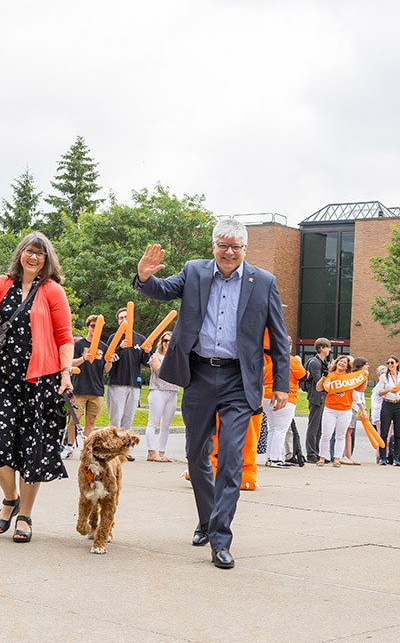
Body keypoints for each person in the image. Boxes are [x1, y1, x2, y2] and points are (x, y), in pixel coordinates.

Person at [134, 218, 290, 570]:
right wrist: (144, 276)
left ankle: (220, 537)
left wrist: (281, 383)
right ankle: (207, 519)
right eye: (223, 245)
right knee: (195, 455)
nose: (229, 251)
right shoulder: (195, 272)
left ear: (245, 249)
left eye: (236, 246)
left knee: (231, 458)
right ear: (213, 246)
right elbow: (160, 290)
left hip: (239, 379)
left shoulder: (263, 282)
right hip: (200, 374)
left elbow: (279, 338)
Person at [0, 232, 74, 544]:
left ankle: (25, 514)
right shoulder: (1, 283)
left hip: (41, 379)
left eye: (40, 253)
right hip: (1, 378)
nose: (34, 257)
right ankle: (11, 499)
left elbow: (64, 336)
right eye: (29, 251)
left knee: (33, 450)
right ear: (20, 254)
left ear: (47, 259)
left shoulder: (52, 290)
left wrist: (66, 374)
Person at [65, 315, 112, 458]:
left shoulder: (104, 347)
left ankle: (86, 449)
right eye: (92, 326)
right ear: (87, 327)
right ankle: (69, 446)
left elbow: (106, 369)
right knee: (74, 420)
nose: (94, 329)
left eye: (97, 326)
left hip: (96, 389)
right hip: (79, 387)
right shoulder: (79, 345)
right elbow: (70, 363)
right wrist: (84, 358)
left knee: (91, 421)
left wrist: (110, 361)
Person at [264, 336, 308, 467]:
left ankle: (270, 458)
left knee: (272, 429)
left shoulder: (269, 360)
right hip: (285, 396)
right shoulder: (291, 360)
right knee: (280, 430)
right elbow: (303, 376)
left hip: (266, 395)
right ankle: (276, 458)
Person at [317, 355, 368, 467]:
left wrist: (365, 378)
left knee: (341, 435)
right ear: (336, 362)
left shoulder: (350, 377)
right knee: (326, 434)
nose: (342, 363)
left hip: (345, 410)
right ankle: (322, 457)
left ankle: (337, 459)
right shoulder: (330, 375)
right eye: (340, 361)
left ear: (347, 366)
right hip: (330, 409)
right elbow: (319, 388)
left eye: (345, 362)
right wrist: (323, 378)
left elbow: (361, 389)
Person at [106, 306, 149, 436]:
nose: (124, 320)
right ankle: (112, 449)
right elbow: (109, 359)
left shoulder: (140, 338)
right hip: (117, 383)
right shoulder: (114, 337)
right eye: (121, 318)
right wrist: (120, 347)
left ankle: (124, 450)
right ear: (118, 321)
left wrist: (147, 352)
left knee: (128, 420)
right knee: (115, 419)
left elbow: (145, 361)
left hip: (134, 384)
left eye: (126, 317)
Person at [146, 332, 179, 462]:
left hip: (172, 391)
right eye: (165, 341)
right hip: (158, 390)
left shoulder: (177, 357)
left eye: (170, 341)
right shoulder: (156, 356)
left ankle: (162, 452)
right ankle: (151, 451)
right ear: (161, 342)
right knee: (153, 422)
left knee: (166, 425)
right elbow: (160, 372)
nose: (167, 343)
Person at [303, 338, 331, 462]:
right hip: (316, 397)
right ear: (321, 348)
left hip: (321, 397)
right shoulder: (315, 362)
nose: (329, 349)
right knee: (313, 426)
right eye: (327, 347)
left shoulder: (323, 362)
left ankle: (317, 452)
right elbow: (318, 380)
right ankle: (311, 454)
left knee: (319, 426)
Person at [376, 356, 400, 465]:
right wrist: (390, 390)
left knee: (398, 433)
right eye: (388, 363)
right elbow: (380, 392)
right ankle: (383, 457)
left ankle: (396, 457)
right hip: (387, 404)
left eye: (392, 362)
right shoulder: (384, 377)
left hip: (398, 404)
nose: (390, 365)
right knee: (384, 432)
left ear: (397, 364)